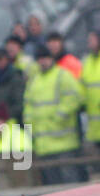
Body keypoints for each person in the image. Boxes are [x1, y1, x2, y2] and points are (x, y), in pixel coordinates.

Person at [23, 45, 84, 185]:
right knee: (52, 183)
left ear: (51, 59)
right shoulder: (34, 80)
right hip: (43, 143)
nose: (42, 62)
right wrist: (30, 125)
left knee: (69, 181)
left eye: (45, 58)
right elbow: (28, 105)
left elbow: (75, 98)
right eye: (40, 59)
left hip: (64, 141)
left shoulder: (63, 75)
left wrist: (59, 118)